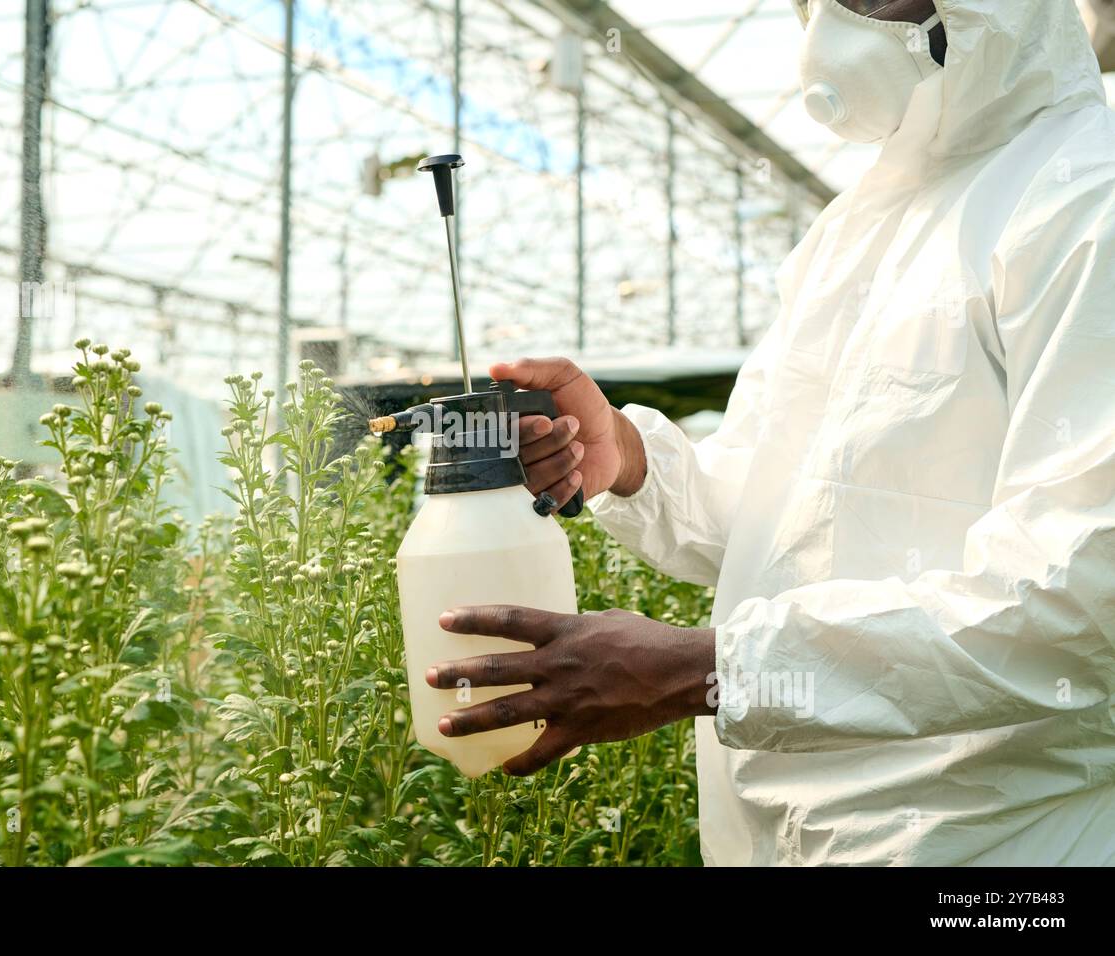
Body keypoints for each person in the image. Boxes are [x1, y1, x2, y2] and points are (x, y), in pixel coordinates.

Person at [424, 0, 1115, 865]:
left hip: (995, 849)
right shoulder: (859, 225)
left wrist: (704, 670)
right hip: (777, 835)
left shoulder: (1086, 199)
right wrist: (630, 461)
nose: (831, 17)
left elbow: (1081, 601)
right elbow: (783, 522)